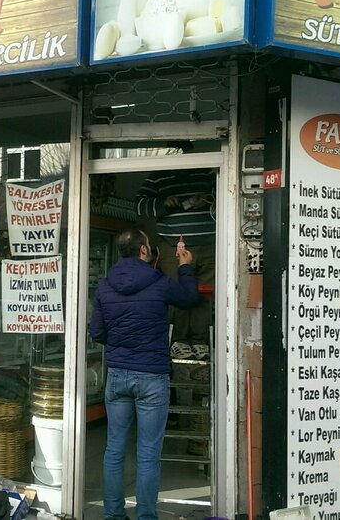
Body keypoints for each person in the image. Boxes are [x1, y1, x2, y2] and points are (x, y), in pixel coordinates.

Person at [89, 228, 200, 520]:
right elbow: (190, 299)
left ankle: (113, 515)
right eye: (149, 246)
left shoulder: (104, 286)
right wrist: (185, 266)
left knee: (114, 449)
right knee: (148, 453)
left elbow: (97, 332)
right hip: (151, 376)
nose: (151, 250)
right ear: (142, 251)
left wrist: (122, 343)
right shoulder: (159, 281)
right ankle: (146, 517)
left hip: (118, 376)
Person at [134, 168, 215, 359]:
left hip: (209, 243)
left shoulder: (207, 173)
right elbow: (139, 207)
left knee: (205, 292)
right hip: (172, 244)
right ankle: (179, 341)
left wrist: (209, 199)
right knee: (176, 291)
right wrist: (163, 203)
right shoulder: (157, 176)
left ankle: (199, 341)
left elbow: (228, 193)